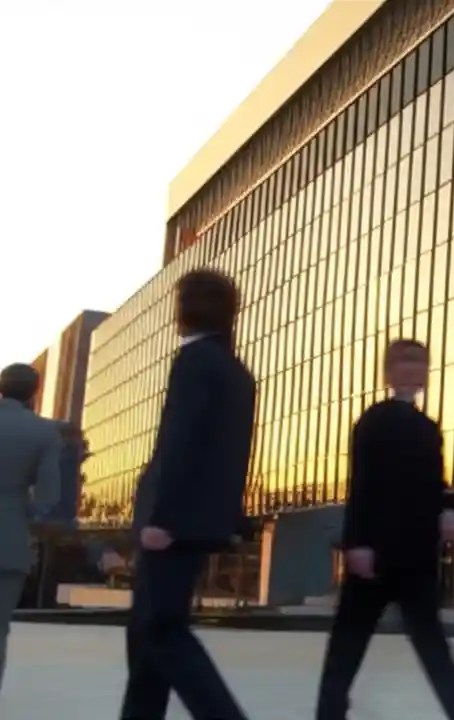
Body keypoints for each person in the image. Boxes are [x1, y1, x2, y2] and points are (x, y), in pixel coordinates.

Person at [316, 338, 454, 720]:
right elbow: (361, 484)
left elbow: (435, 483)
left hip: (415, 557)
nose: (412, 369)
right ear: (389, 372)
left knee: (434, 651)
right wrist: (357, 543)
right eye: (404, 362)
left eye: (419, 363)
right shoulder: (374, 421)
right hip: (374, 556)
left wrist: (450, 511)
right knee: (346, 650)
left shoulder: (428, 428)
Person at [122, 269, 257, 720]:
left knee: (163, 631)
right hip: (202, 519)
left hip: (172, 522)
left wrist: (160, 517)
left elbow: (180, 443)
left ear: (184, 310)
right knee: (147, 638)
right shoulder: (237, 371)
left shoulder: (195, 362)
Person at [0, 363, 61, 692]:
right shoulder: (43, 432)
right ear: (35, 390)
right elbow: (49, 494)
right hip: (8, 541)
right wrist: (28, 512)